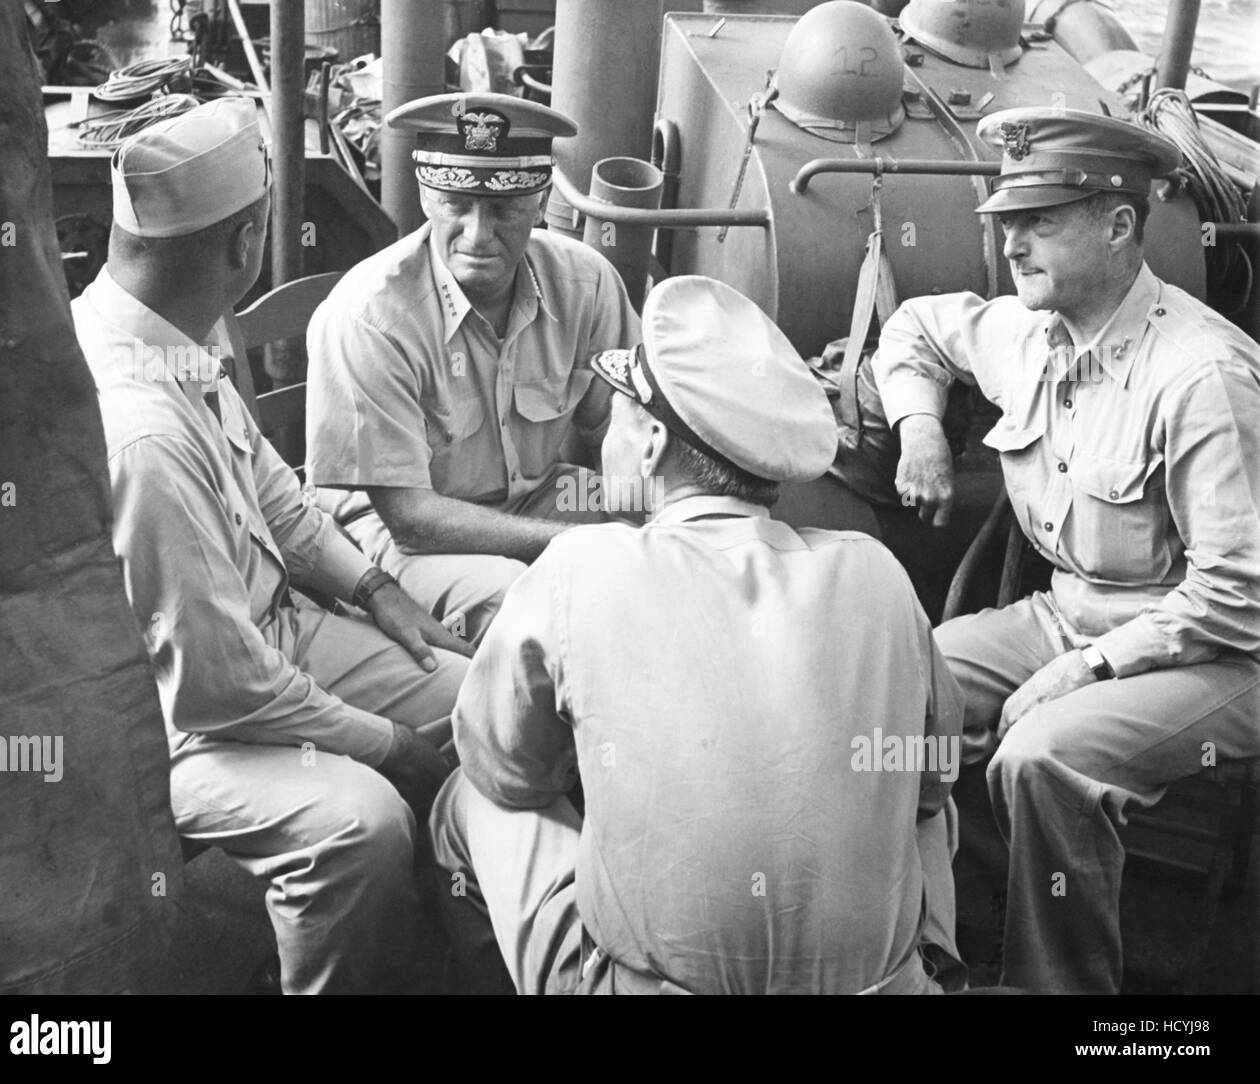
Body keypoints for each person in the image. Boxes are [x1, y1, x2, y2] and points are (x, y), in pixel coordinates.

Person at [430, 275, 966, 994]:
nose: (601, 444)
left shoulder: (580, 567)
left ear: (650, 442)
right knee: (928, 807)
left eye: (615, 418)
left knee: (467, 796)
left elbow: (506, 768)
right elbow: (933, 785)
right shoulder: (878, 572)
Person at [71, 98, 473, 994]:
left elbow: (274, 498)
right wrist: (386, 745)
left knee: (475, 698)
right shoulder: (142, 435)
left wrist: (375, 588)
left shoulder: (175, 316)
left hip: (266, 635)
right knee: (362, 823)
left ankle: (433, 933)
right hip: (175, 722)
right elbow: (220, 686)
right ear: (245, 243)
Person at [873, 107, 1260, 993]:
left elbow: (1241, 592)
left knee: (1045, 756)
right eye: (1008, 222)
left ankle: (1070, 998)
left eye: (1041, 221)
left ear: (1120, 225)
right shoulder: (1031, 332)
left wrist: (1081, 669)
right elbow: (918, 329)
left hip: (1222, 653)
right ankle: (924, 947)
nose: (1013, 246)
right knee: (897, 682)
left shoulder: (1202, 376)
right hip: (1070, 613)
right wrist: (921, 429)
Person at [306, 92, 640, 644]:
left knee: (672, 544)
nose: (478, 235)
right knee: (529, 604)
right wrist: (573, 545)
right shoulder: (370, 318)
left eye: (504, 210)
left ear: (541, 199)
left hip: (535, 502)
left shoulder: (587, 283)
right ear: (424, 194)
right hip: (393, 539)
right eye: (455, 204)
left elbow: (621, 430)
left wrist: (651, 520)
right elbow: (412, 521)